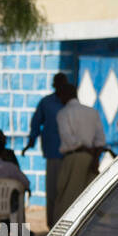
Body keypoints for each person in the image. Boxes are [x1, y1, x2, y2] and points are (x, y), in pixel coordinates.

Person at [54, 79, 107, 221]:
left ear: (65, 95)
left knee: (67, 198)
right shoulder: (92, 112)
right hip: (91, 159)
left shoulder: (63, 113)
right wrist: (95, 159)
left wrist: (86, 150)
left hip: (73, 158)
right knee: (87, 198)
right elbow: (100, 140)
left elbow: (69, 139)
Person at [21, 72, 69, 226]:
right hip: (53, 152)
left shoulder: (71, 103)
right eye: (58, 84)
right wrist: (30, 143)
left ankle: (65, 224)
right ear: (54, 85)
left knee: (67, 191)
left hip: (70, 154)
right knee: (53, 191)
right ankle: (52, 224)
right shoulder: (46, 103)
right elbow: (36, 124)